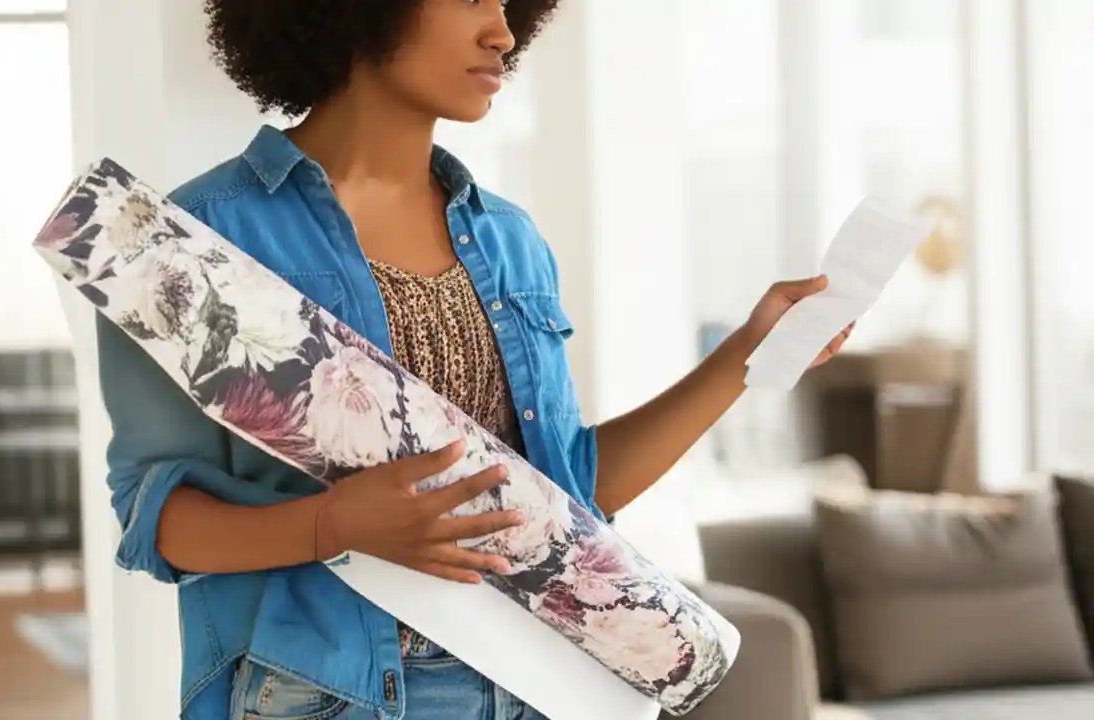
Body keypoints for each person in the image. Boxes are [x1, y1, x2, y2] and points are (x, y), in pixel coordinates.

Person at [95, 1, 853, 719]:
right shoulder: (194, 240)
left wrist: (741, 358)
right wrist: (332, 524)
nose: (502, 33)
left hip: (540, 687)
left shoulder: (510, 241)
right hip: (334, 692)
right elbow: (155, 515)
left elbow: (568, 499)